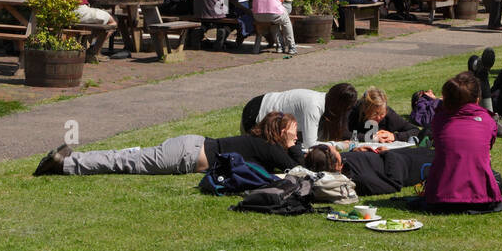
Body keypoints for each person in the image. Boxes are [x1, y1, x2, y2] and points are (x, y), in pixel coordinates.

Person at [33, 111, 302, 177]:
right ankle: (63, 165)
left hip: (190, 145)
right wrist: (294, 147)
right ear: (278, 132)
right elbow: (297, 168)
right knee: (125, 161)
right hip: (185, 154)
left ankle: (73, 157)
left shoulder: (260, 142)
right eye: (293, 132)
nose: (296, 136)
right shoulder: (270, 148)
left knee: (127, 155)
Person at [421, 72, 502, 212]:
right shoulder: (488, 121)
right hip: (481, 199)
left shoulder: (439, 121)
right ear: (477, 99)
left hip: (440, 198)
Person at [241, 84, 357, 149]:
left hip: (259, 106)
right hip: (254, 117)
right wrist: (340, 145)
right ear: (339, 105)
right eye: (346, 110)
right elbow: (310, 144)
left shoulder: (323, 101)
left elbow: (327, 136)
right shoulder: (313, 107)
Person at [303, 141, 436, 196]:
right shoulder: (359, 178)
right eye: (335, 152)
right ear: (336, 165)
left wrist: (357, 151)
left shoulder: (337, 162)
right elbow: (394, 185)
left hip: (399, 156)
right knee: (443, 158)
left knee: (430, 149)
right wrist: (388, 155)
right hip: (409, 167)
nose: (337, 150)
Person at [347, 87, 423, 143]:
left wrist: (394, 136)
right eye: (375, 114)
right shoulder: (353, 111)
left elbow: (415, 130)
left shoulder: (389, 115)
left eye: (382, 113)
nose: (379, 117)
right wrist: (370, 137)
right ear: (365, 110)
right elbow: (341, 133)